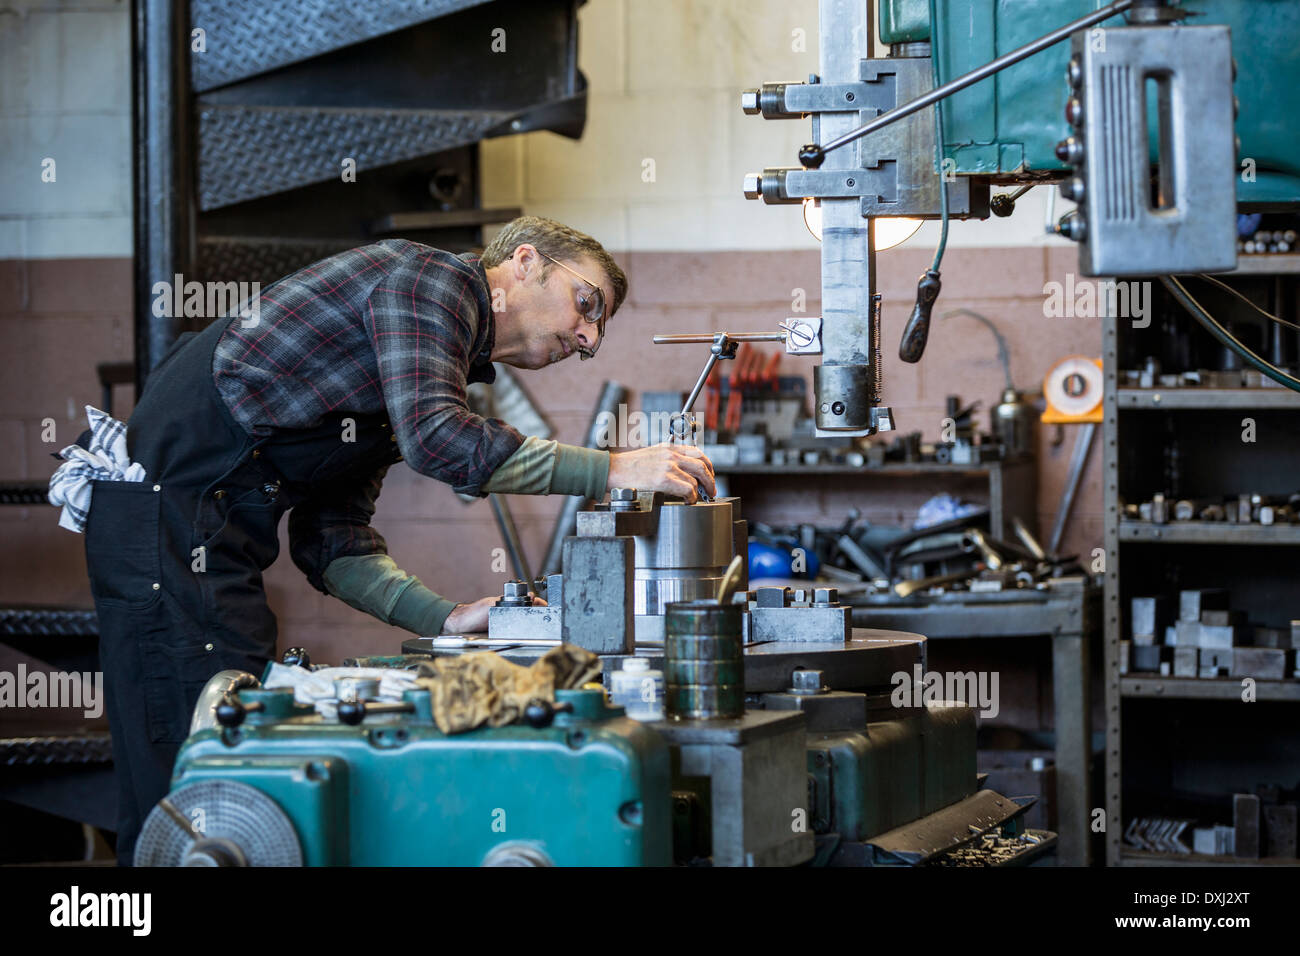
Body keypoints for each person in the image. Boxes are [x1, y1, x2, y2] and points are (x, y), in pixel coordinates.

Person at [77, 216, 715, 863]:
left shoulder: (414, 368)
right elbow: (441, 441)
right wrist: (613, 466)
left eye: (600, 327)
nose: (590, 338)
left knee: (236, 763)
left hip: (208, 539)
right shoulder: (429, 282)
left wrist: (445, 616)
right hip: (162, 526)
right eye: (588, 305)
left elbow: (333, 542)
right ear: (525, 263)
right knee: (200, 789)